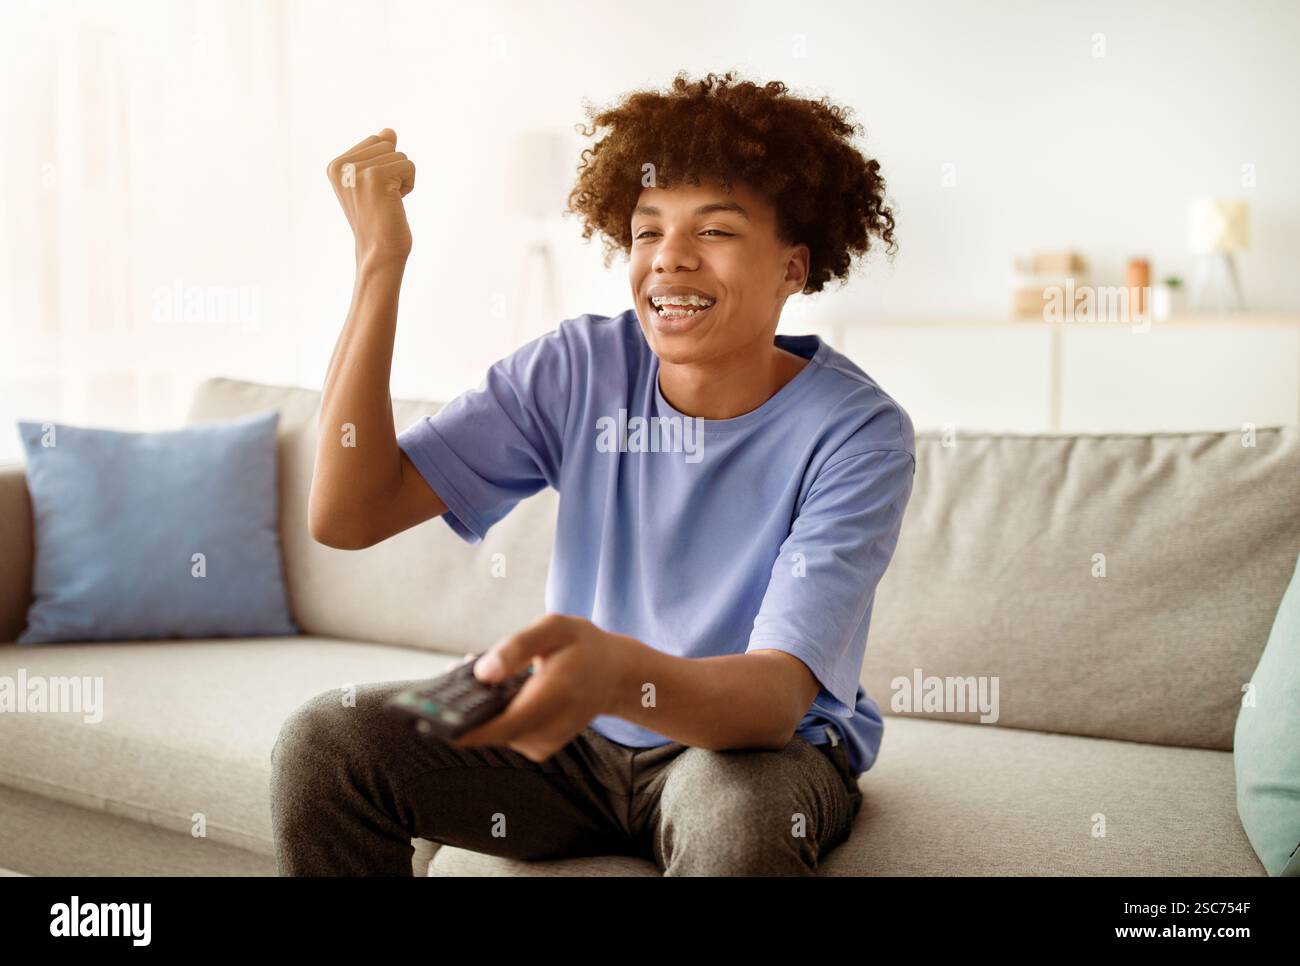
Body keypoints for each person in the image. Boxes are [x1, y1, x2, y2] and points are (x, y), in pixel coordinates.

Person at [273, 70, 914, 876]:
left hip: (744, 753)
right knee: (326, 744)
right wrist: (379, 264)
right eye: (648, 231)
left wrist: (615, 676)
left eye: (713, 231)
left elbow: (772, 702)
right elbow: (349, 513)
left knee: (738, 829)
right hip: (576, 746)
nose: (670, 260)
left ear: (793, 267)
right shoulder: (578, 368)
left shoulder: (857, 431)